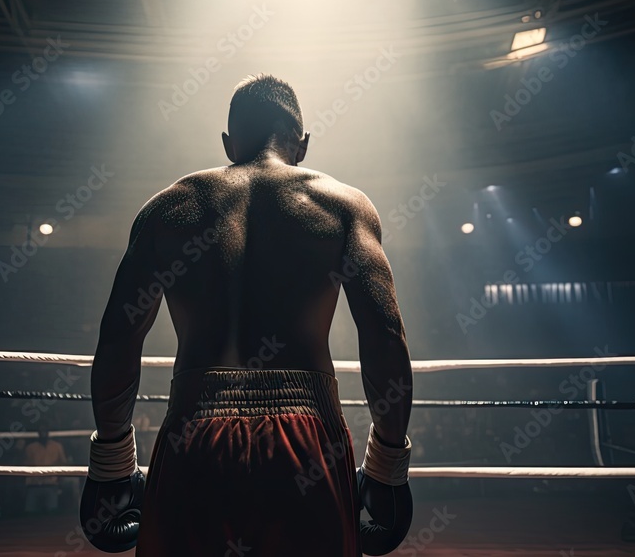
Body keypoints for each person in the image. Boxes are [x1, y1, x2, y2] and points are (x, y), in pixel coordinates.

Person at [81, 74, 414, 556]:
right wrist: (386, 469)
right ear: (302, 144)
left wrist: (110, 463)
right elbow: (385, 337)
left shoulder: (168, 207)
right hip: (306, 442)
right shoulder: (343, 205)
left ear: (228, 142)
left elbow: (118, 336)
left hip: (192, 437)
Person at [24, 426, 68, 514]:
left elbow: (63, 463)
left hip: (51, 484)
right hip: (34, 484)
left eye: (45, 431)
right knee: (30, 513)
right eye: (41, 431)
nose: (43, 433)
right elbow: (25, 465)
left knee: (52, 513)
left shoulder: (57, 446)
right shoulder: (30, 448)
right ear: (38, 433)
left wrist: (59, 479)